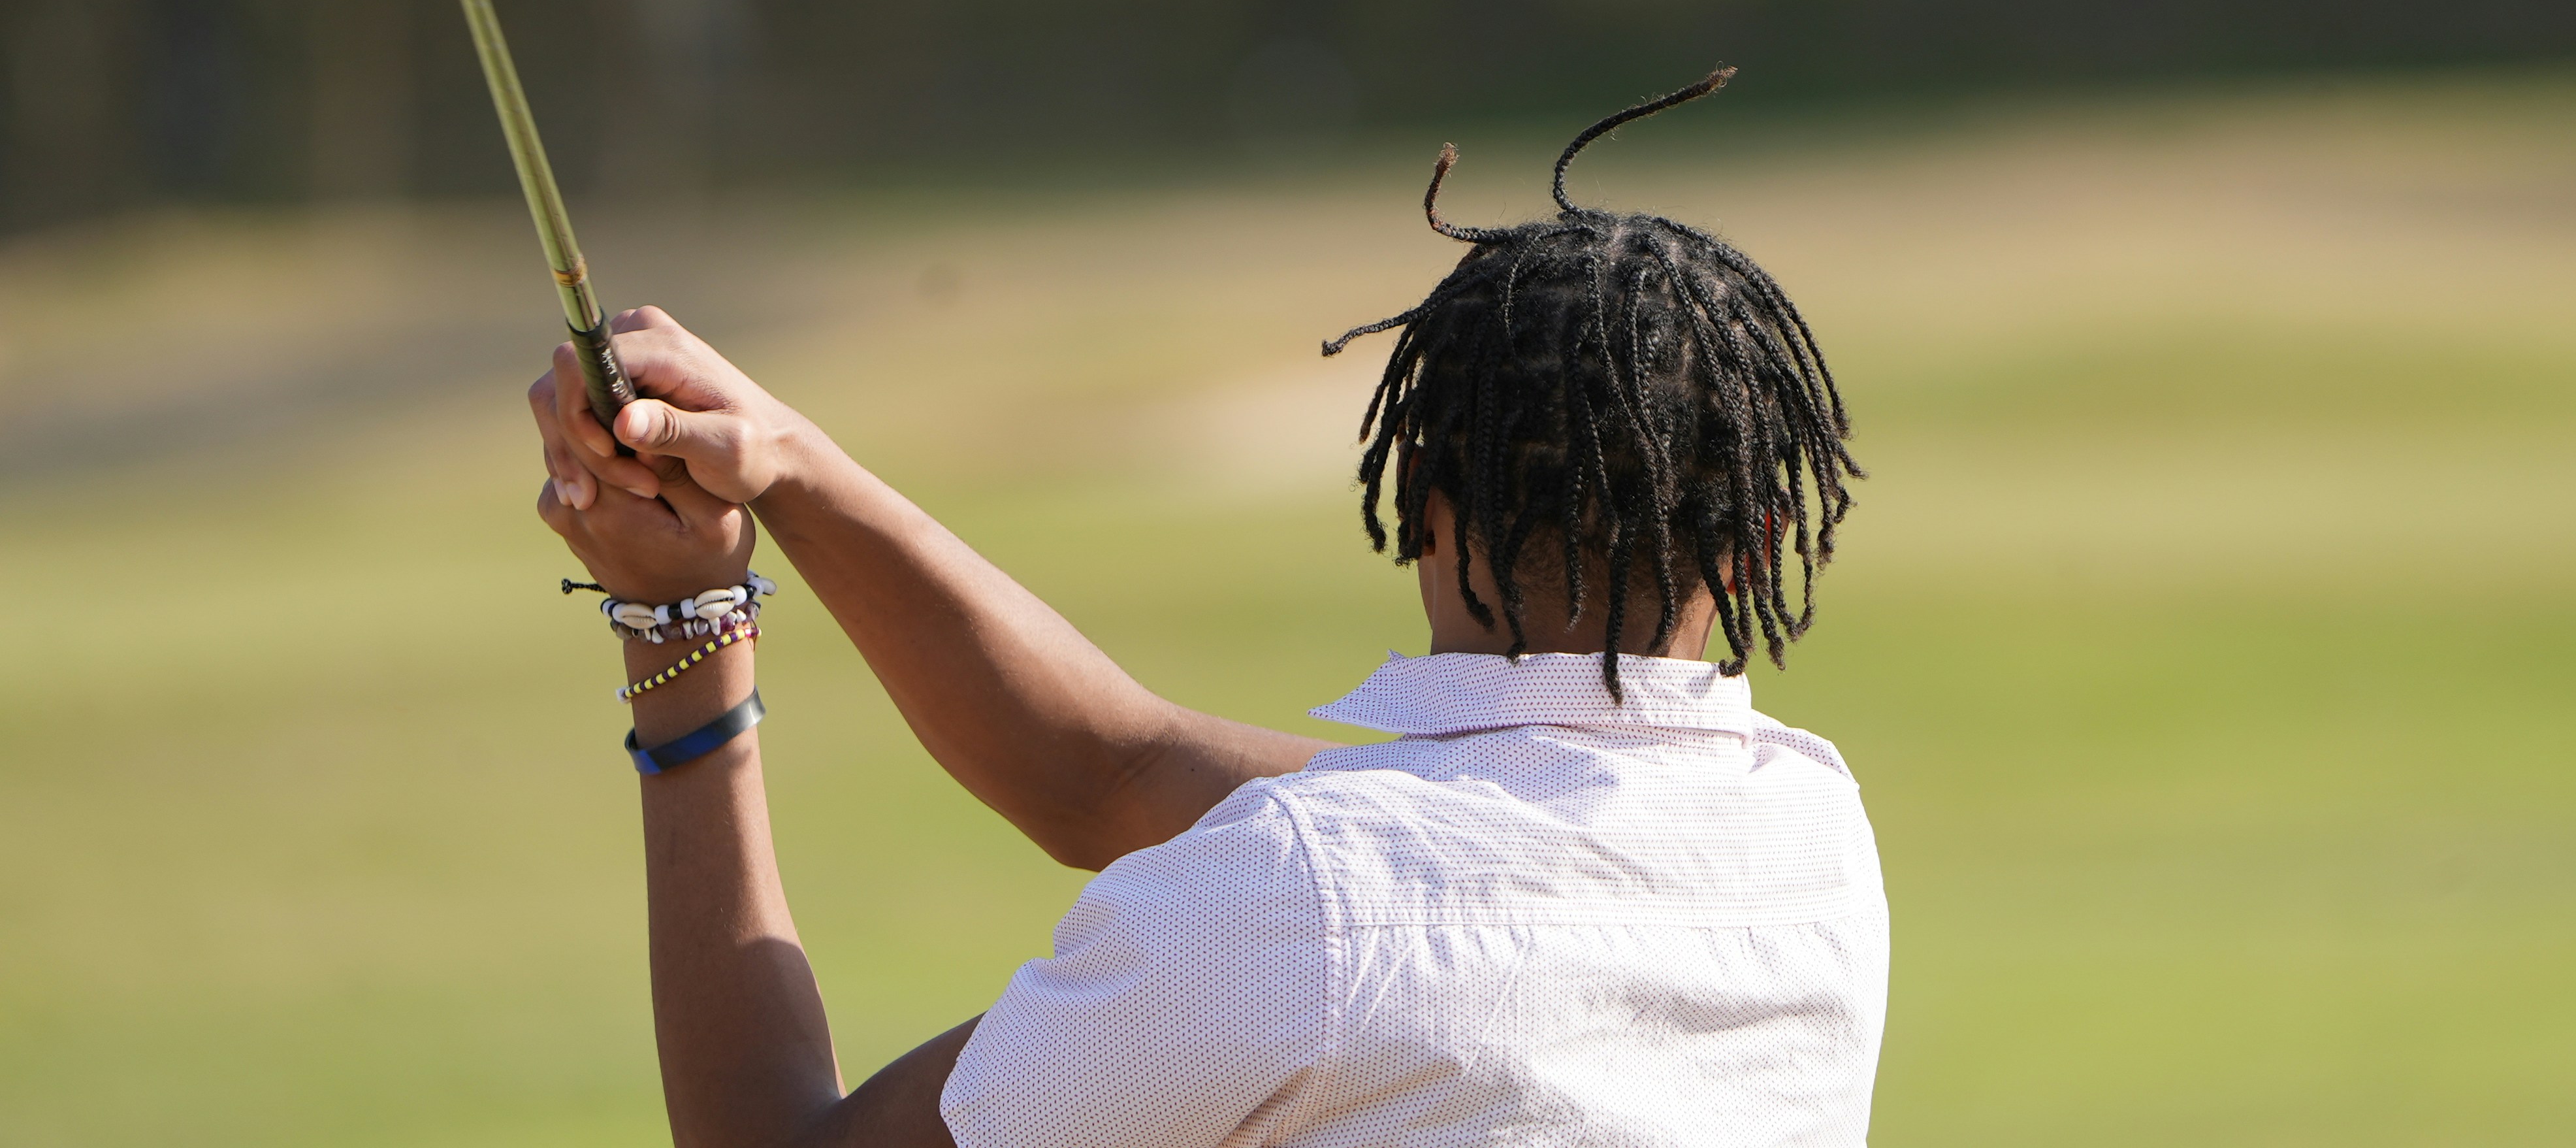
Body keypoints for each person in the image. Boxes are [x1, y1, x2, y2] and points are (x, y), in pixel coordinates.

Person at [528, 70, 1889, 1148]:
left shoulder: (1293, 906)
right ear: (1764, 540)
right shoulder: (1809, 835)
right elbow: (1104, 771)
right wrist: (791, 467)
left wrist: (680, 626)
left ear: (1417, 499)